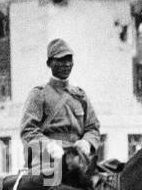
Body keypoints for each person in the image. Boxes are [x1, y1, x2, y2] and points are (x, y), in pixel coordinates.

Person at [19, 38, 101, 170]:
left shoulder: (80, 96)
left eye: (69, 59)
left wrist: (87, 142)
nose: (67, 64)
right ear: (49, 63)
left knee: (103, 185)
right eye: (61, 60)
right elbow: (28, 131)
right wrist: (49, 146)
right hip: (47, 160)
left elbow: (93, 127)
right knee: (54, 186)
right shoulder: (39, 94)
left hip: (77, 159)